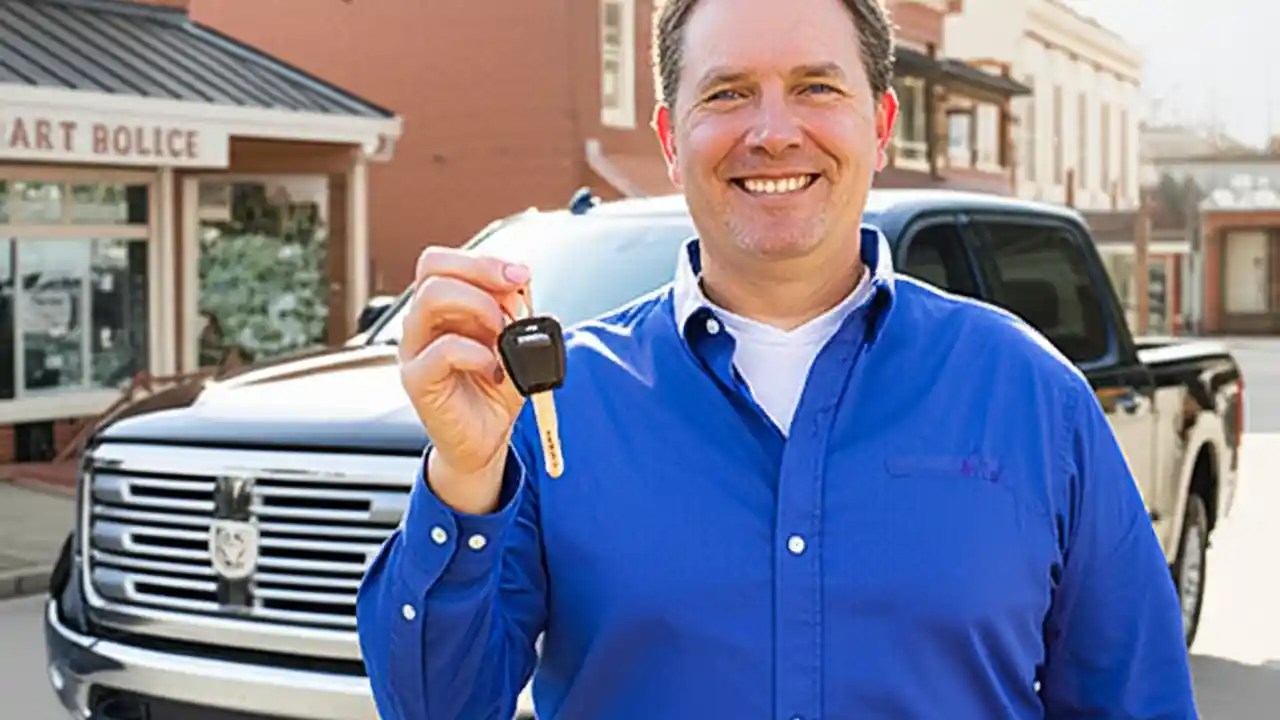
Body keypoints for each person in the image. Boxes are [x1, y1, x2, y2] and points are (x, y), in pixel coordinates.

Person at [356, 0, 1198, 717]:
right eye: (727, 93)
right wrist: (464, 474)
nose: (771, 131)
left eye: (815, 87)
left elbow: (1136, 698)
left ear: (880, 123)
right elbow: (437, 705)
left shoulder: (1032, 398)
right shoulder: (554, 408)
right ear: (670, 139)